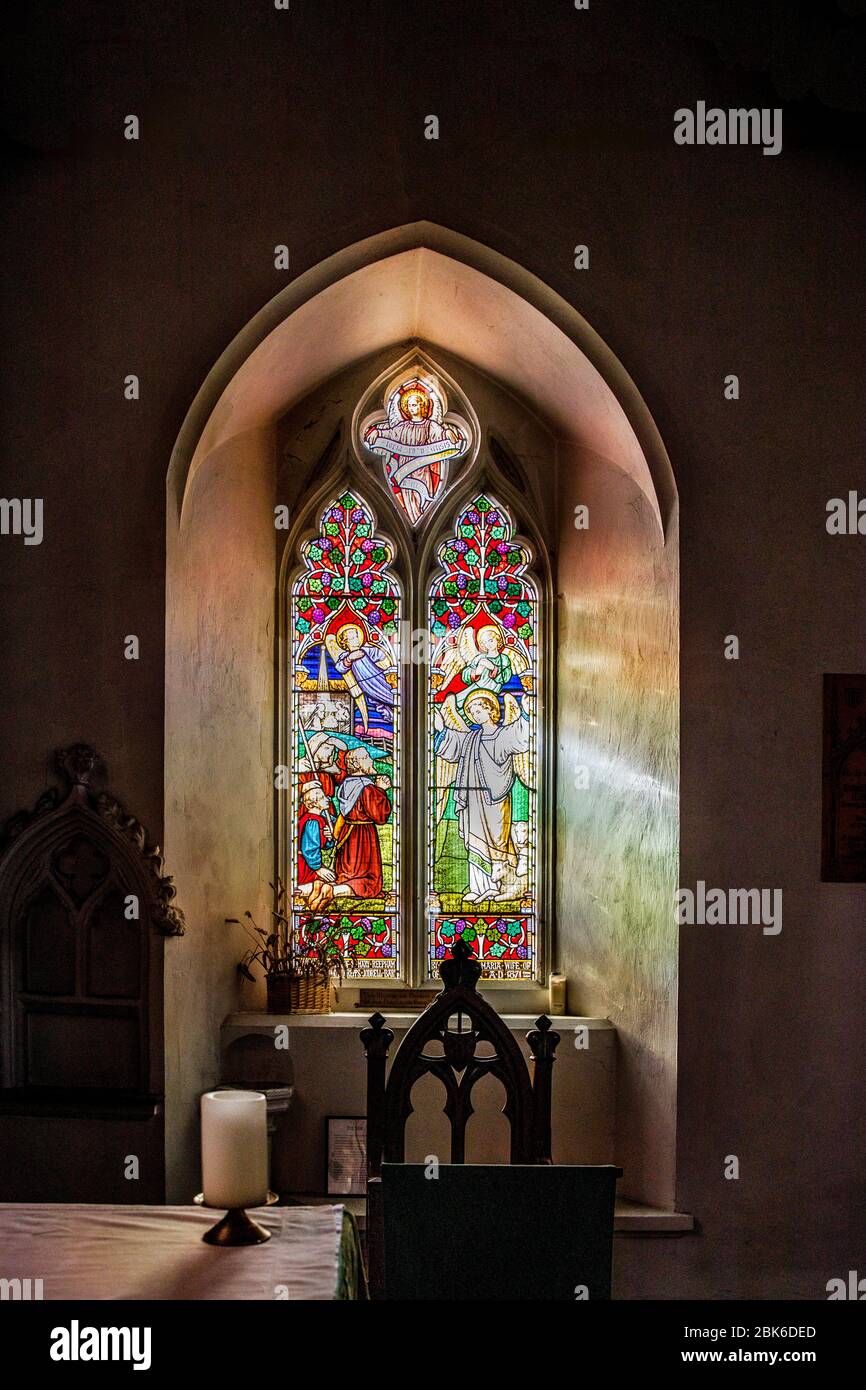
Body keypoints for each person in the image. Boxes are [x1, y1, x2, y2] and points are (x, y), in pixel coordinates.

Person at [433, 690, 532, 903]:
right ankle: (478, 887)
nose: (476, 715)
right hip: (473, 800)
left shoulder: (504, 734)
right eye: (472, 712)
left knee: (497, 841)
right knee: (474, 839)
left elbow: (522, 736)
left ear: (491, 710)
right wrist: (441, 728)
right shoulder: (471, 738)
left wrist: (525, 712)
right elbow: (452, 743)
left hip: (495, 800)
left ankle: (502, 884)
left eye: (480, 710)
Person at [364, 381, 466, 523]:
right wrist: (376, 432)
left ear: (422, 406)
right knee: (409, 500)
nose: (413, 408)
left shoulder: (430, 425)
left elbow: (441, 435)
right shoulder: (403, 426)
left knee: (422, 497)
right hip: (405, 470)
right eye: (410, 405)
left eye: (416, 404)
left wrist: (449, 432)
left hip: (423, 468)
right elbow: (390, 434)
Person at [332, 746, 391, 899]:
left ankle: (335, 890)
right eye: (367, 758)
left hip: (348, 834)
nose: (371, 761)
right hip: (363, 839)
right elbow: (380, 816)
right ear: (358, 764)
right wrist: (381, 790)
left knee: (349, 873)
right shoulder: (366, 788)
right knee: (366, 879)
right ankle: (332, 892)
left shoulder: (347, 784)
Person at [297, 782, 335, 886]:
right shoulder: (312, 822)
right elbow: (309, 849)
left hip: (311, 864)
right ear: (313, 803)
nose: (328, 799)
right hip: (306, 867)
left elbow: (324, 845)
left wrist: (329, 839)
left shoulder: (320, 819)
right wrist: (318, 868)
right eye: (322, 798)